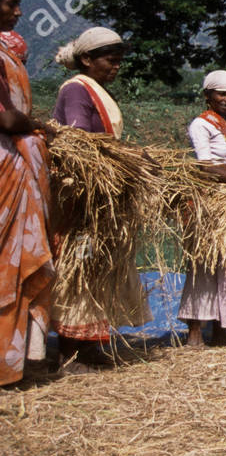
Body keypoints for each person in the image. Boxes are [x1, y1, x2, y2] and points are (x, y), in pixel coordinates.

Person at [50, 25, 145, 369]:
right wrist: (126, 159)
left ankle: (91, 345)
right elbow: (80, 142)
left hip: (102, 194)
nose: (116, 66)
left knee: (98, 264)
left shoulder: (96, 89)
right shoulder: (76, 89)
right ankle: (69, 349)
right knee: (79, 265)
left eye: (119, 60)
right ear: (87, 59)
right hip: (82, 193)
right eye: (110, 59)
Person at [0, 0, 56, 385]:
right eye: (10, 3)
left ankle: (11, 363)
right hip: (5, 159)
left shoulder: (8, 52)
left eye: (19, 3)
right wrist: (38, 127)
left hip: (12, 158)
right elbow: (7, 116)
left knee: (16, 261)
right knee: (8, 262)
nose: (18, 12)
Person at [178, 70, 226, 348]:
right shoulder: (201, 124)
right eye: (221, 94)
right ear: (207, 96)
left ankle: (223, 328)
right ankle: (195, 333)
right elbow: (205, 165)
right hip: (209, 200)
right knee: (204, 262)